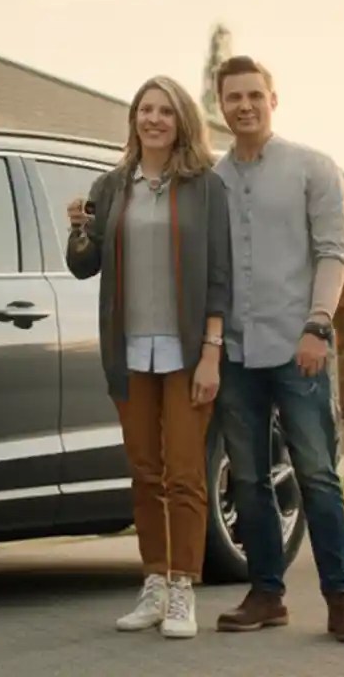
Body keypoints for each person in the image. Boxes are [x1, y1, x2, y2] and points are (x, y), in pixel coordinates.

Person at [209, 55, 344, 644]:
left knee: (317, 475)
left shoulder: (312, 168)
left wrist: (317, 326)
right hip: (236, 353)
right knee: (249, 479)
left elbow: (334, 252)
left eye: (255, 95)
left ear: (273, 100)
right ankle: (266, 594)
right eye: (234, 97)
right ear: (220, 106)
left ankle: (342, 599)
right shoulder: (212, 182)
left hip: (299, 347)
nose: (245, 106)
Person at [65, 75, 231, 639]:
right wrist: (79, 231)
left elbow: (220, 276)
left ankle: (183, 587)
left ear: (182, 121)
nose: (153, 119)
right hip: (129, 348)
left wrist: (211, 352)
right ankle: (155, 582)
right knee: (144, 473)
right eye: (145, 109)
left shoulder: (207, 187)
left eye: (165, 111)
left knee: (184, 472)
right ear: (134, 118)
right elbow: (84, 265)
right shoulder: (112, 186)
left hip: (187, 352)